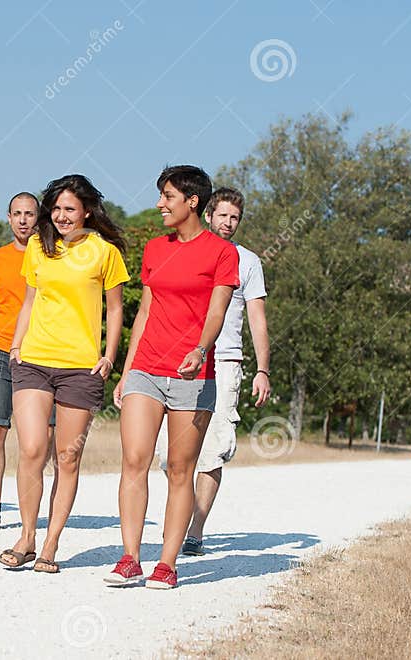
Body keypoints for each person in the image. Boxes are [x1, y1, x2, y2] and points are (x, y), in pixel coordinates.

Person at [106, 165, 238, 589]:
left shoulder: (222, 253)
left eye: (168, 196)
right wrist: (126, 372)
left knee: (180, 470)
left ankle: (167, 562)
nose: (160, 204)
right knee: (133, 460)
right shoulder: (154, 250)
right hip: (146, 367)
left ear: (192, 201)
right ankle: (129, 557)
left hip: (193, 376)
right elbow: (143, 311)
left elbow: (217, 311)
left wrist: (200, 348)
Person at [0, 174, 128, 573]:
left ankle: (52, 542)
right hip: (35, 360)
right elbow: (29, 301)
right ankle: (27, 536)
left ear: (86, 210)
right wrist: (17, 346)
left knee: (67, 459)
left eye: (69, 209)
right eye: (55, 208)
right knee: (32, 450)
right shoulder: (38, 246)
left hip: (80, 367)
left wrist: (109, 356)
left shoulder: (104, 252)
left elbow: (116, 308)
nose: (60, 216)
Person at [153, 187, 271, 556]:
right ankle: (177, 517)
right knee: (171, 453)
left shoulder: (247, 262)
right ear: (207, 214)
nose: (229, 223)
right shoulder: (184, 251)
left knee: (214, 449)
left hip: (225, 363)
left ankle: (195, 531)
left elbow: (257, 317)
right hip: (181, 357)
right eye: (223, 215)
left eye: (235, 218)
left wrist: (262, 369)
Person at [0, 192, 56, 531]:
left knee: (44, 436)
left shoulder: (52, 257)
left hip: (41, 352)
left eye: (29, 214)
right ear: (8, 217)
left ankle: (31, 501)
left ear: (38, 217)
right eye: (16, 214)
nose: (22, 220)